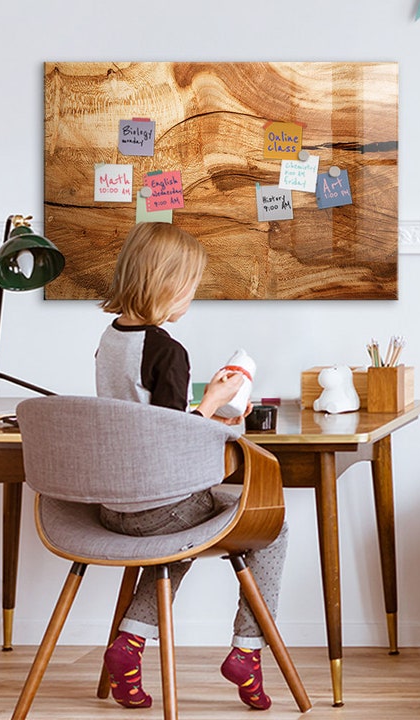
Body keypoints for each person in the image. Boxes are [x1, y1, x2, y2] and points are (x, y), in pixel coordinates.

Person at [94, 222, 287, 711]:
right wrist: (217, 401)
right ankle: (247, 650)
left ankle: (130, 645)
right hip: (159, 506)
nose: (190, 299)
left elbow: (143, 416)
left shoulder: (110, 340)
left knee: (180, 533)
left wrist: (209, 405)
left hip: (114, 506)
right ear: (165, 284)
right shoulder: (167, 350)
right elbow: (170, 438)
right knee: (272, 524)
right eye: (190, 288)